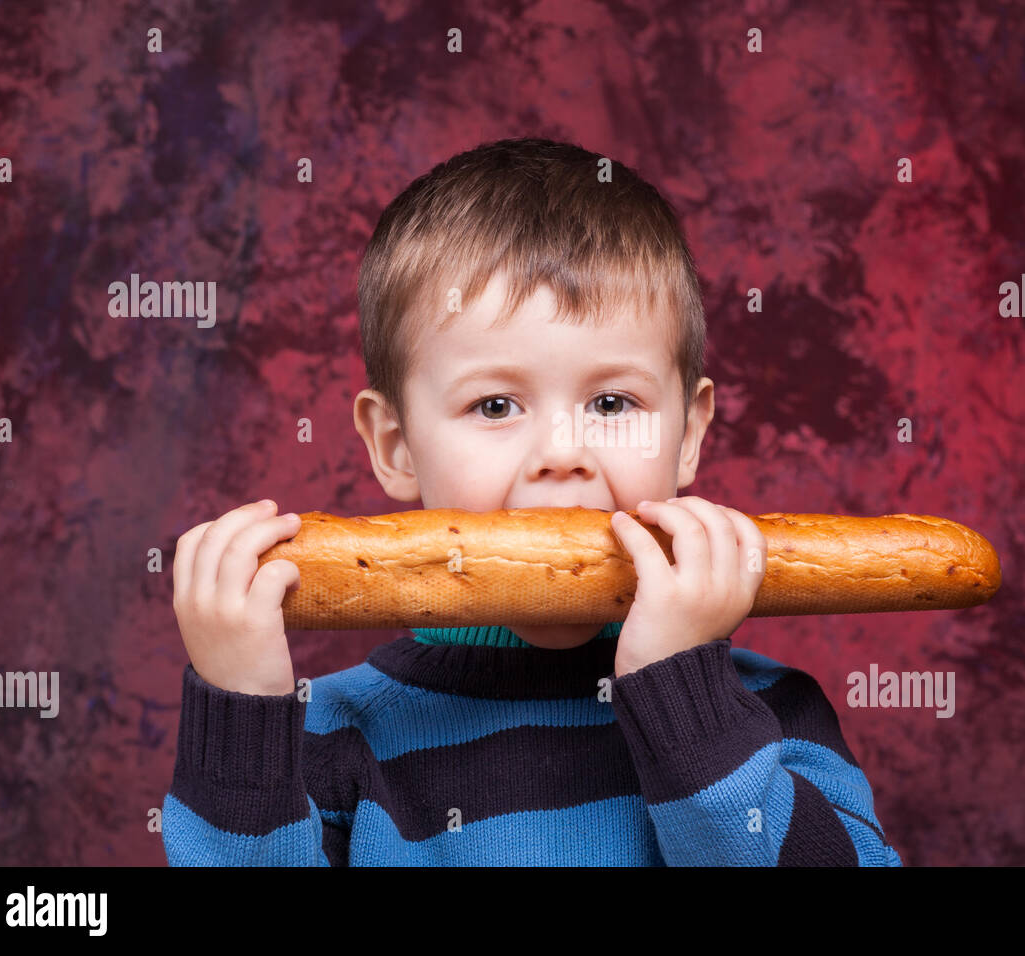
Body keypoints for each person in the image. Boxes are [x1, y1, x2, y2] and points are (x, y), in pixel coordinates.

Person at [162, 137, 901, 866]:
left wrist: (687, 696)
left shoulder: (768, 714)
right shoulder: (323, 737)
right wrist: (242, 716)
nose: (561, 453)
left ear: (688, 435)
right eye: (493, 406)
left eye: (612, 402)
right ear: (395, 444)